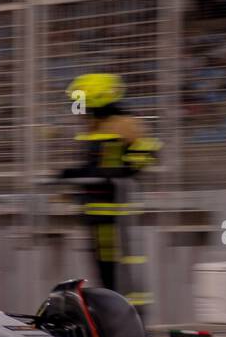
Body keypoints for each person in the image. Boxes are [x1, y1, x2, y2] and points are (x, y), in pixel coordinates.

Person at [59, 73, 161, 303]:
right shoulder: (94, 125)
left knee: (120, 270)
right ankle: (113, 313)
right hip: (96, 213)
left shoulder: (124, 123)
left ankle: (130, 316)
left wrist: (122, 170)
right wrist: (73, 175)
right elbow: (94, 165)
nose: (79, 107)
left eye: (82, 101)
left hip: (117, 213)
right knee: (105, 269)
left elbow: (146, 153)